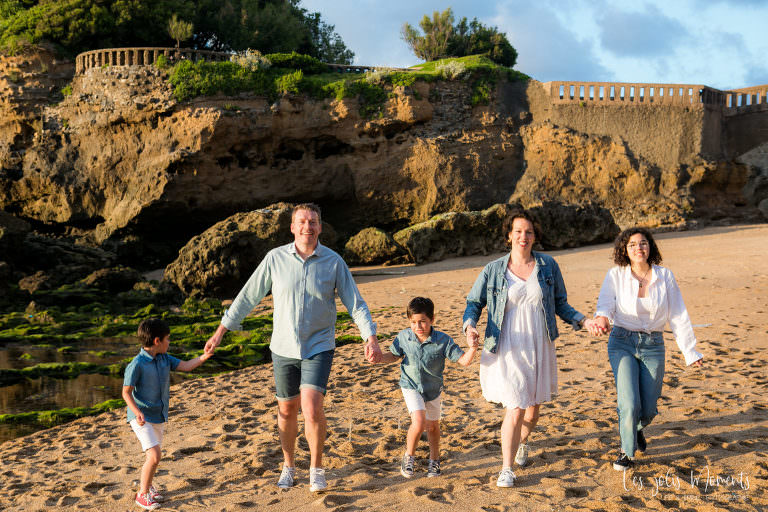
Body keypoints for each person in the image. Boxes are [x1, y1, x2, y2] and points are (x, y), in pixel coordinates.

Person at [204, 203, 382, 493]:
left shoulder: (334, 262)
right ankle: (288, 466)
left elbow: (355, 303)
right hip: (283, 347)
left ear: (320, 227)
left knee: (311, 407)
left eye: (312, 221)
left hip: (319, 345)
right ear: (292, 227)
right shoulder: (275, 259)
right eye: (301, 221)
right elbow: (248, 296)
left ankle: (316, 469)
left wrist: (369, 337)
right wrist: (221, 330)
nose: (307, 227)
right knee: (287, 410)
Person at [463, 209, 592, 488]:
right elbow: (474, 302)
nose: (524, 236)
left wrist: (584, 321)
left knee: (532, 412)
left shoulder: (548, 265)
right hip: (506, 345)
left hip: (539, 344)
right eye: (518, 231)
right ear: (509, 235)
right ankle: (506, 469)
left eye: (529, 232)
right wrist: (470, 325)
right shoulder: (493, 269)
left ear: (535, 236)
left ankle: (521, 441)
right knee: (516, 407)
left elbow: (560, 303)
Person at [586, 227, 703, 471]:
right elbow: (605, 305)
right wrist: (602, 318)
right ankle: (626, 452)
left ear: (650, 247)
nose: (638, 248)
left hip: (653, 345)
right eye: (632, 245)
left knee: (648, 408)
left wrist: (690, 352)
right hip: (622, 342)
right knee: (629, 402)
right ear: (624, 250)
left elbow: (678, 314)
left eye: (643, 243)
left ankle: (637, 428)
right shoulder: (616, 275)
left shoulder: (665, 276)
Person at [375, 297, 479, 479]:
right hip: (410, 385)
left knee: (432, 427)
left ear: (432, 319)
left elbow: (463, 360)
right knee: (419, 421)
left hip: (433, 389)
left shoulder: (443, 340)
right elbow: (393, 355)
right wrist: (378, 358)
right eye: (413, 322)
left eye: (422, 321)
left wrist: (473, 348)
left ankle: (434, 460)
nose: (418, 326)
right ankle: (409, 456)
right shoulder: (404, 337)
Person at [123, 318, 213, 511]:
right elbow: (126, 392)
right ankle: (142, 494)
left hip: (159, 415)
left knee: (154, 457)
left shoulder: (164, 358)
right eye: (168, 339)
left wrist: (205, 356)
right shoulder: (137, 364)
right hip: (141, 417)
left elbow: (186, 366)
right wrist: (137, 412)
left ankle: (148, 487)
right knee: (155, 455)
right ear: (157, 341)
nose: (169, 342)